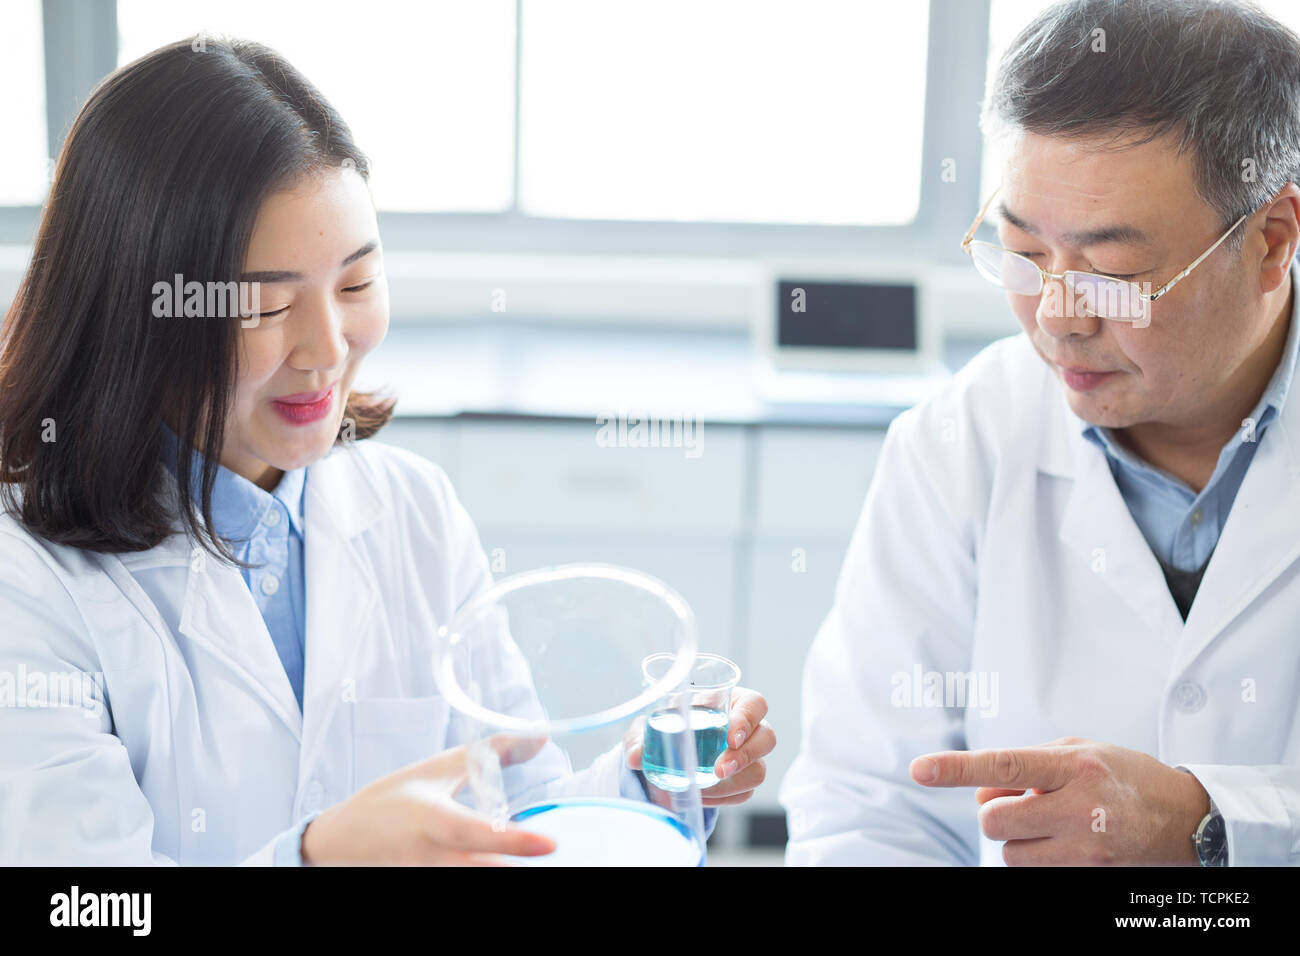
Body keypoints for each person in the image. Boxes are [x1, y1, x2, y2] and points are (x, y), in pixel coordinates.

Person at [0, 37, 774, 866]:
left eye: (356, 285)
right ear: (137, 311)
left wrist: (647, 792)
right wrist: (314, 857)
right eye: (265, 304)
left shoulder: (412, 511)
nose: (327, 348)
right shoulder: (28, 578)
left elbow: (512, 811)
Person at [782, 0, 1300, 866]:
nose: (1057, 320)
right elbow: (865, 806)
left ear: (1274, 242)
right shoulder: (959, 444)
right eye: (1022, 254)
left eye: (1114, 273)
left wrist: (1215, 832)